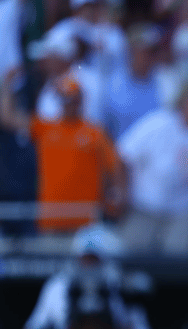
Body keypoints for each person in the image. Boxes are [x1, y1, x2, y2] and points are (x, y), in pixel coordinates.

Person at [20, 224, 152, 329]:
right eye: (84, 258)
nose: (88, 265)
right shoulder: (58, 285)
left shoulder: (119, 287)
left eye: (94, 259)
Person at [0, 71, 125, 233]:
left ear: (80, 100)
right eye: (65, 99)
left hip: (85, 222)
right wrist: (6, 85)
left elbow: (115, 166)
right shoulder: (45, 128)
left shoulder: (95, 133)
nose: (69, 104)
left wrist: (117, 196)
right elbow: (8, 119)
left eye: (73, 99)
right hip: (52, 221)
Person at [116, 82, 188, 257]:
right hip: (144, 206)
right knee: (130, 257)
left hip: (183, 211)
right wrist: (123, 194)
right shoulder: (157, 123)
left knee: (177, 263)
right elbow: (123, 156)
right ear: (182, 101)